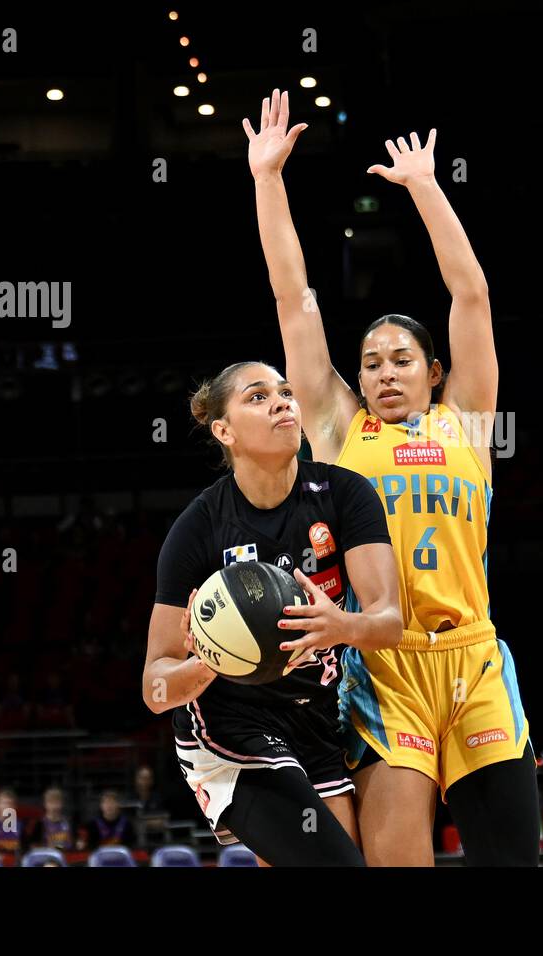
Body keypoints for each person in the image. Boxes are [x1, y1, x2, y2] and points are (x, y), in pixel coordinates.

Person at [246, 88, 539, 866]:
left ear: (434, 371)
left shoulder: (468, 421)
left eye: (400, 359)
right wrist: (267, 180)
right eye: (370, 362)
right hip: (385, 667)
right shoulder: (344, 431)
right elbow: (293, 301)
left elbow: (470, 293)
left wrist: (425, 188)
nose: (381, 372)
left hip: (474, 660)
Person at [143, 360, 402, 866]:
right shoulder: (198, 527)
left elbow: (389, 622)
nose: (282, 401)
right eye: (257, 397)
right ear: (223, 430)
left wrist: (343, 625)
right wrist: (205, 662)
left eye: (285, 391)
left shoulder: (344, 493)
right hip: (227, 724)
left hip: (316, 716)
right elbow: (154, 687)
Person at [24, 786, 77, 851]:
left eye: (57, 803)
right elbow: (33, 847)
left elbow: (71, 845)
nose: (54, 806)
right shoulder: (39, 824)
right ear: (45, 804)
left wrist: (57, 847)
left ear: (62, 804)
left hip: (66, 857)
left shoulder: (67, 822)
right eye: (51, 803)